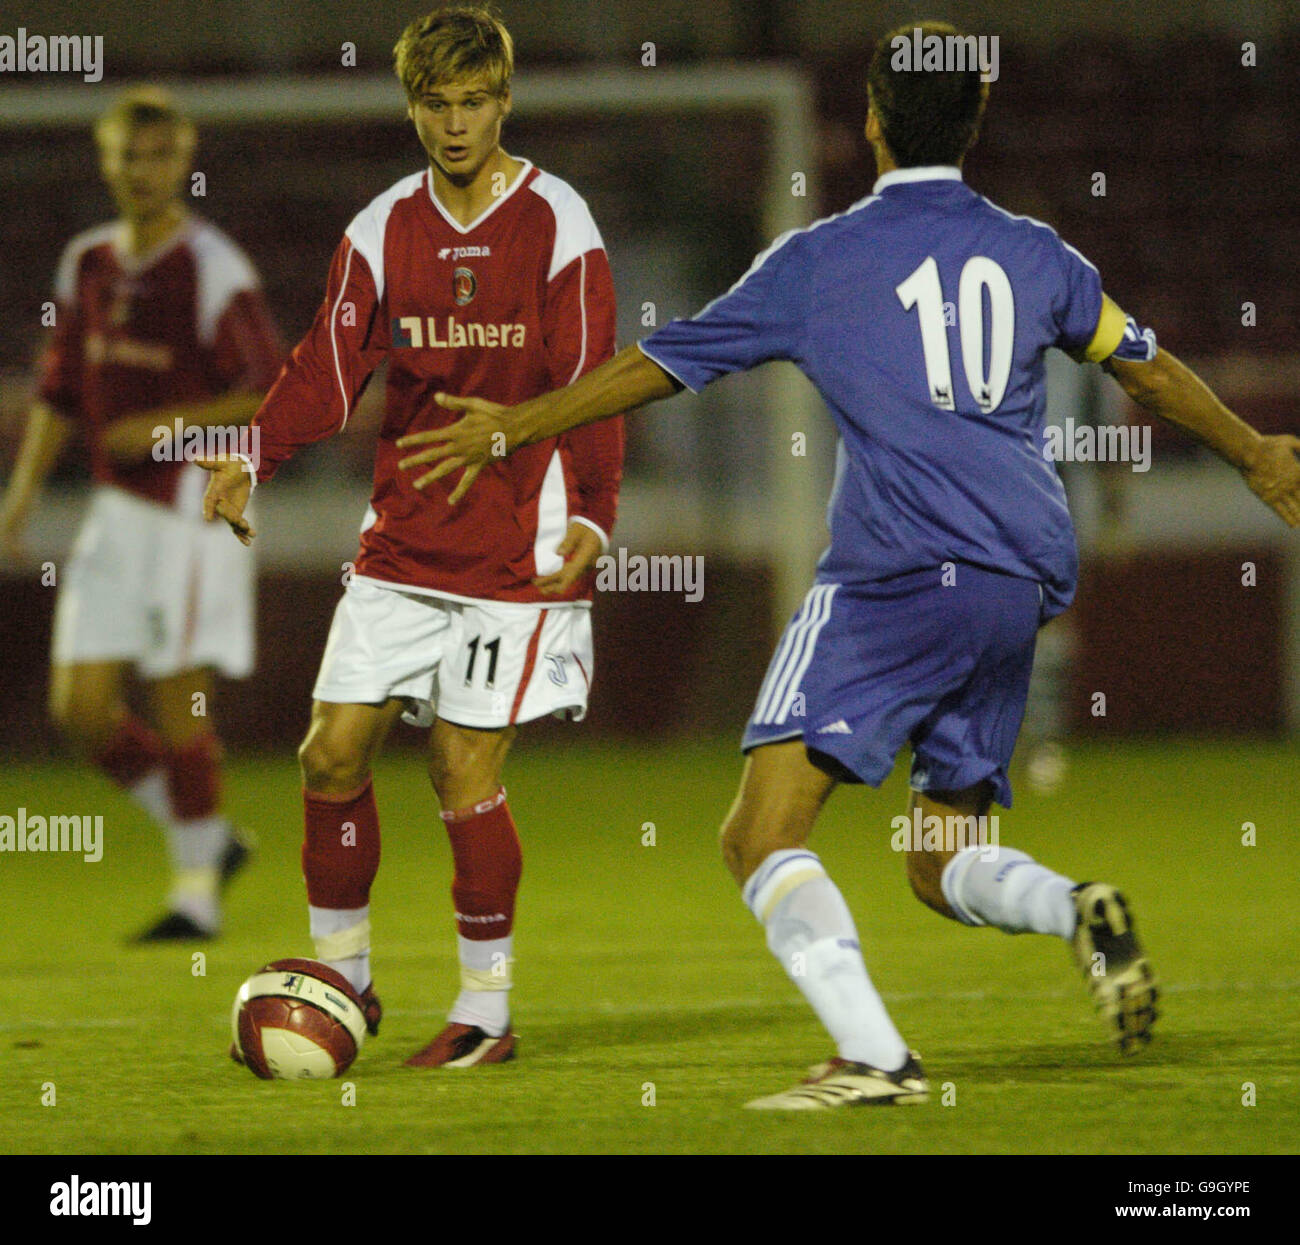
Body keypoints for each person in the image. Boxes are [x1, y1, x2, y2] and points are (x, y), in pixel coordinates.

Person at [385, 20, 1300, 1107]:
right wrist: (1254, 453)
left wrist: (518, 424)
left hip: (897, 573)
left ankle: (874, 1059)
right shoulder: (1037, 252)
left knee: (757, 833)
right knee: (935, 850)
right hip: (1017, 582)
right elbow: (1145, 372)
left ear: (867, 121)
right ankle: (1077, 908)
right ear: (978, 117)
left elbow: (659, 364)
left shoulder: (817, 261)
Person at [202, 5, 623, 1068]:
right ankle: (343, 980)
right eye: (435, 104)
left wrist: (590, 516)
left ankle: (486, 1014)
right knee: (330, 754)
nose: (454, 122)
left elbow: (594, 383)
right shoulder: (383, 226)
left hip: (513, 555)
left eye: (474, 101)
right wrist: (251, 453)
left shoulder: (559, 222)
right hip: (402, 544)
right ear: (411, 108)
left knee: (457, 765)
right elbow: (326, 368)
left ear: (504, 101)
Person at [0, 86, 284, 942]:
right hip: (115, 513)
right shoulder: (87, 259)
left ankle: (195, 892)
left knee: (178, 698)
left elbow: (271, 386)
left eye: (158, 154)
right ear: (107, 158)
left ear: (183, 160)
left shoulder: (214, 266)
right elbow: (57, 388)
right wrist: (20, 494)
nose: (141, 169)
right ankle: (208, 836)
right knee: (79, 708)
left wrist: (167, 425)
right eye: (127, 153)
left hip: (192, 513)